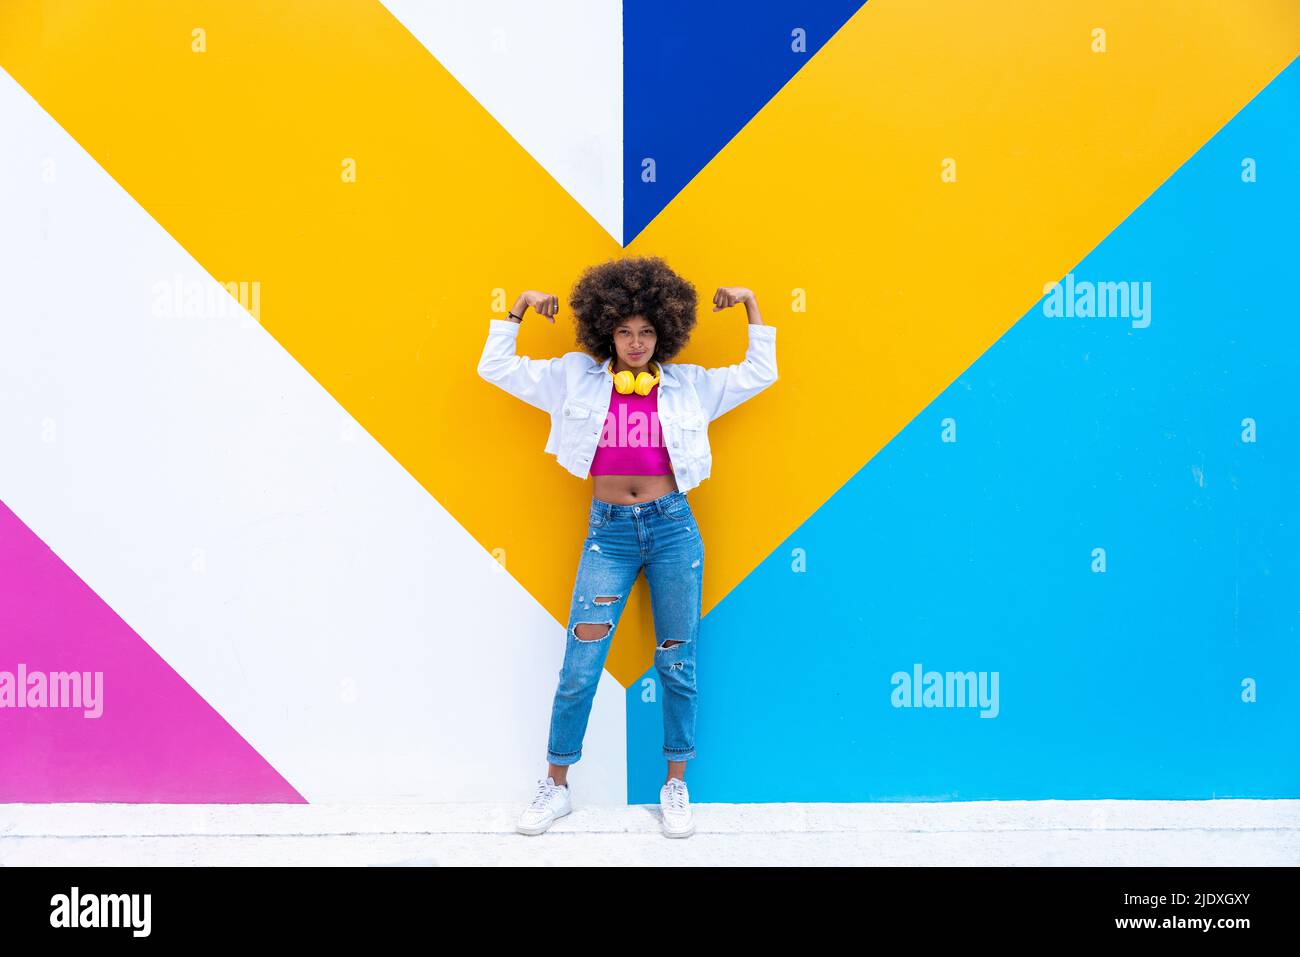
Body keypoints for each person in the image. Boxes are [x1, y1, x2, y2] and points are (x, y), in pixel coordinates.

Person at [476, 255, 778, 838]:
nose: (636, 343)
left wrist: (751, 305)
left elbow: (759, 372)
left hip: (673, 530)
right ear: (605, 331)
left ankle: (675, 783)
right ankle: (555, 786)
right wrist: (518, 309)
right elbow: (496, 367)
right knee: (579, 665)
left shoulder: (690, 386)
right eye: (624, 331)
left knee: (678, 661)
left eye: (646, 332)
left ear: (663, 332)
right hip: (608, 534)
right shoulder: (575, 377)